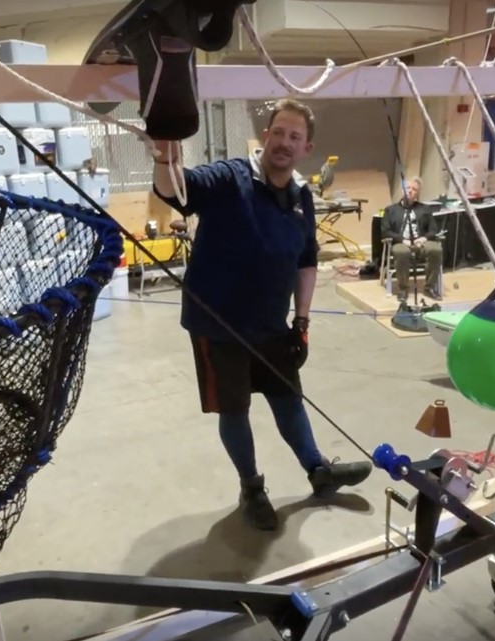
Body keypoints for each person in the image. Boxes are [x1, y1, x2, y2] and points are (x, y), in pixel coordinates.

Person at [150, 98, 373, 531]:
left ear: (306, 148)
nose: (284, 142)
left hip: (273, 324)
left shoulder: (301, 196)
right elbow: (174, 188)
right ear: (266, 136)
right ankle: (251, 487)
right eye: (279, 132)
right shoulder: (229, 178)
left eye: (294, 137)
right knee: (235, 410)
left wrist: (301, 321)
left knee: (289, 399)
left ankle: (318, 470)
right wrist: (165, 153)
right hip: (219, 328)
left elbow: (306, 261)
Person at [379, 177, 444, 302]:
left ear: (417, 193)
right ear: (402, 190)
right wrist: (402, 240)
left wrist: (423, 238)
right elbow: (385, 231)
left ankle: (429, 287)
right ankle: (403, 288)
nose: (410, 191)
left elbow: (434, 229)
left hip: (421, 242)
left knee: (436, 250)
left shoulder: (424, 209)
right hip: (401, 242)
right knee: (402, 252)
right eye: (408, 188)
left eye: (414, 189)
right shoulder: (391, 210)